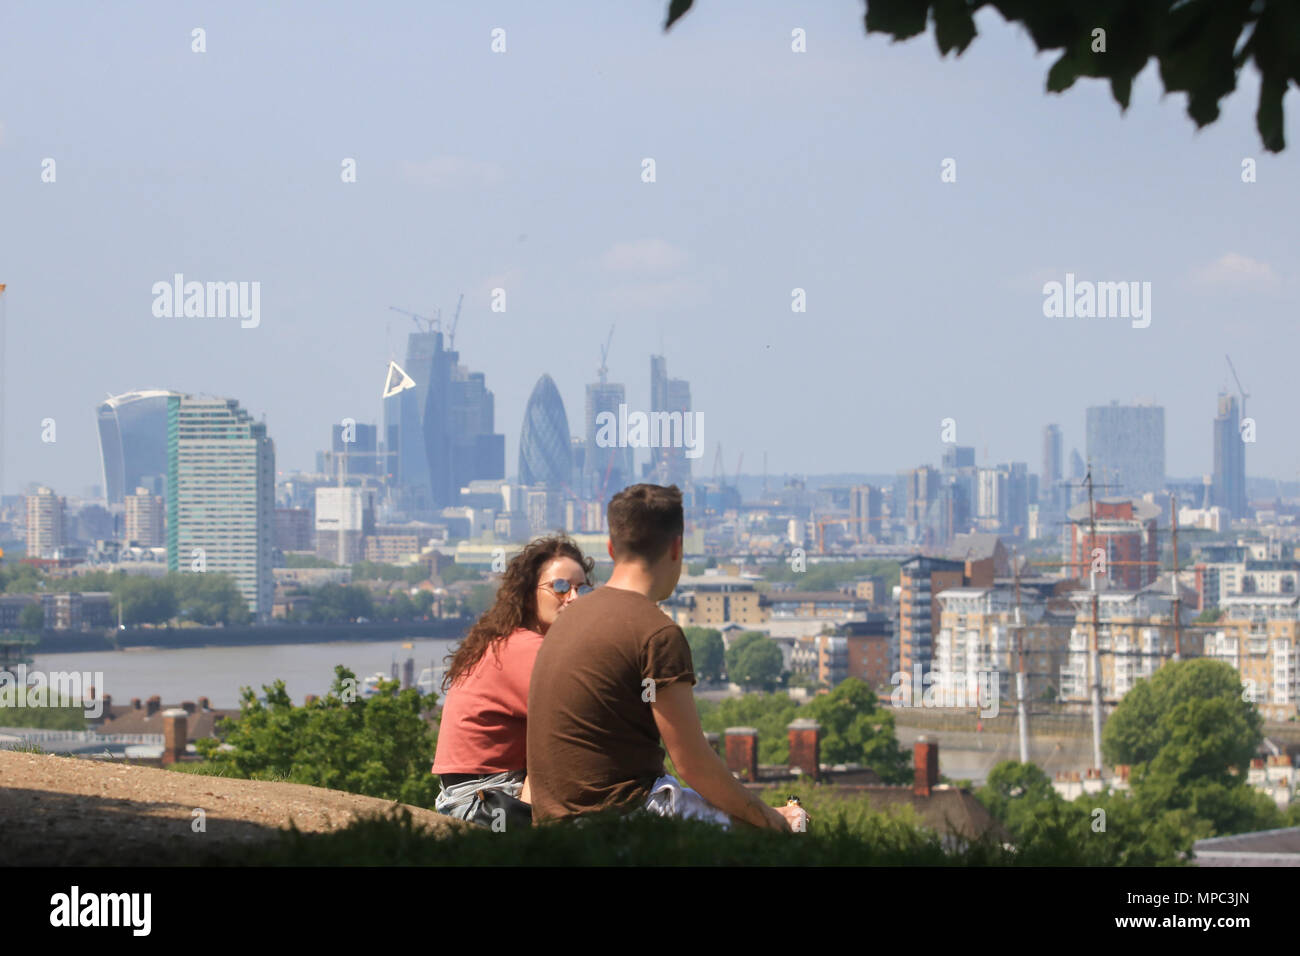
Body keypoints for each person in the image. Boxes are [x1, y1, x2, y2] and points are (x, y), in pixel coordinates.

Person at [526, 484, 808, 832]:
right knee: (788, 823)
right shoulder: (657, 634)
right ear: (677, 548)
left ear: (612, 549)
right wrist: (769, 818)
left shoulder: (569, 618)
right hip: (619, 821)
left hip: (553, 825)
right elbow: (693, 763)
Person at [432, 534, 595, 823]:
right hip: (490, 797)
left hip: (467, 795)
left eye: (582, 589)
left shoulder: (505, 639)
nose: (573, 597)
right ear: (528, 592)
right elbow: (588, 723)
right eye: (560, 587)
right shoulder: (528, 648)